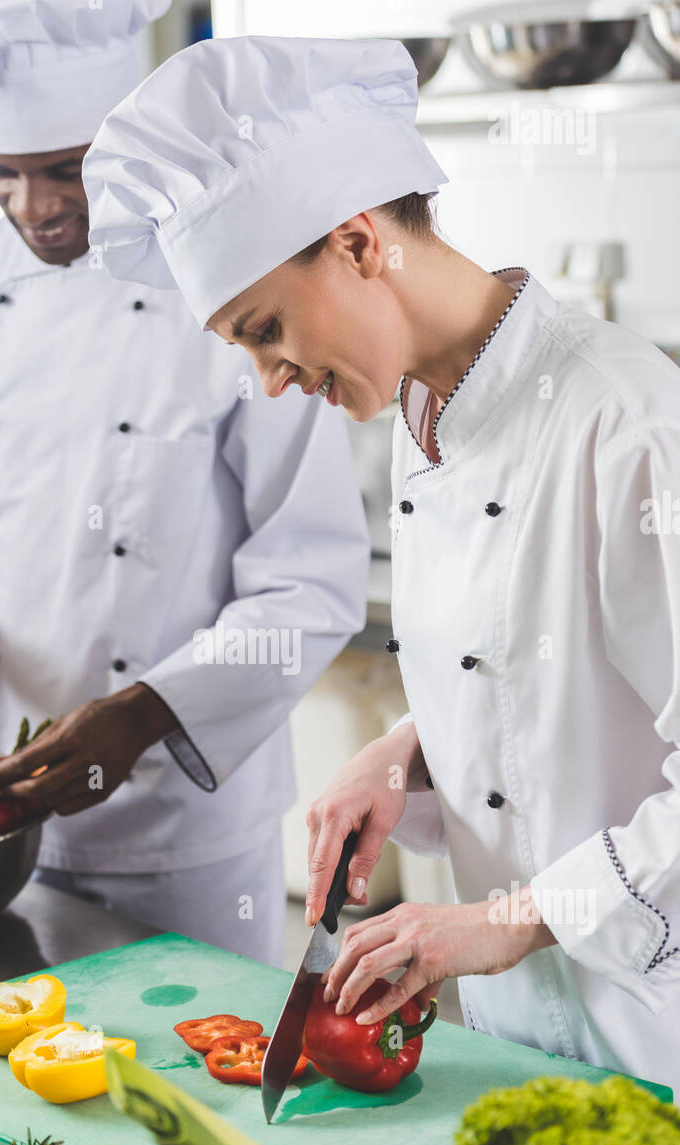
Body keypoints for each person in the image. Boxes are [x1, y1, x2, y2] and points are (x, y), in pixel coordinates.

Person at [82, 33, 680, 1090]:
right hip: (506, 1054)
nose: (269, 380)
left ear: (359, 245)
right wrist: (404, 758)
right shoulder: (422, 413)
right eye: (241, 347)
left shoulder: (626, 422)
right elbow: (532, 678)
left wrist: (505, 919)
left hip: (651, 1044)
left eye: (265, 329)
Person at [0, 6, 370, 966]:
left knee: (191, 1074)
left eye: (65, 169)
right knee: (41, 1067)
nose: (33, 207)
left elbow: (309, 580)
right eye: (1, 172)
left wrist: (147, 712)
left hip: (186, 828)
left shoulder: (233, 288)